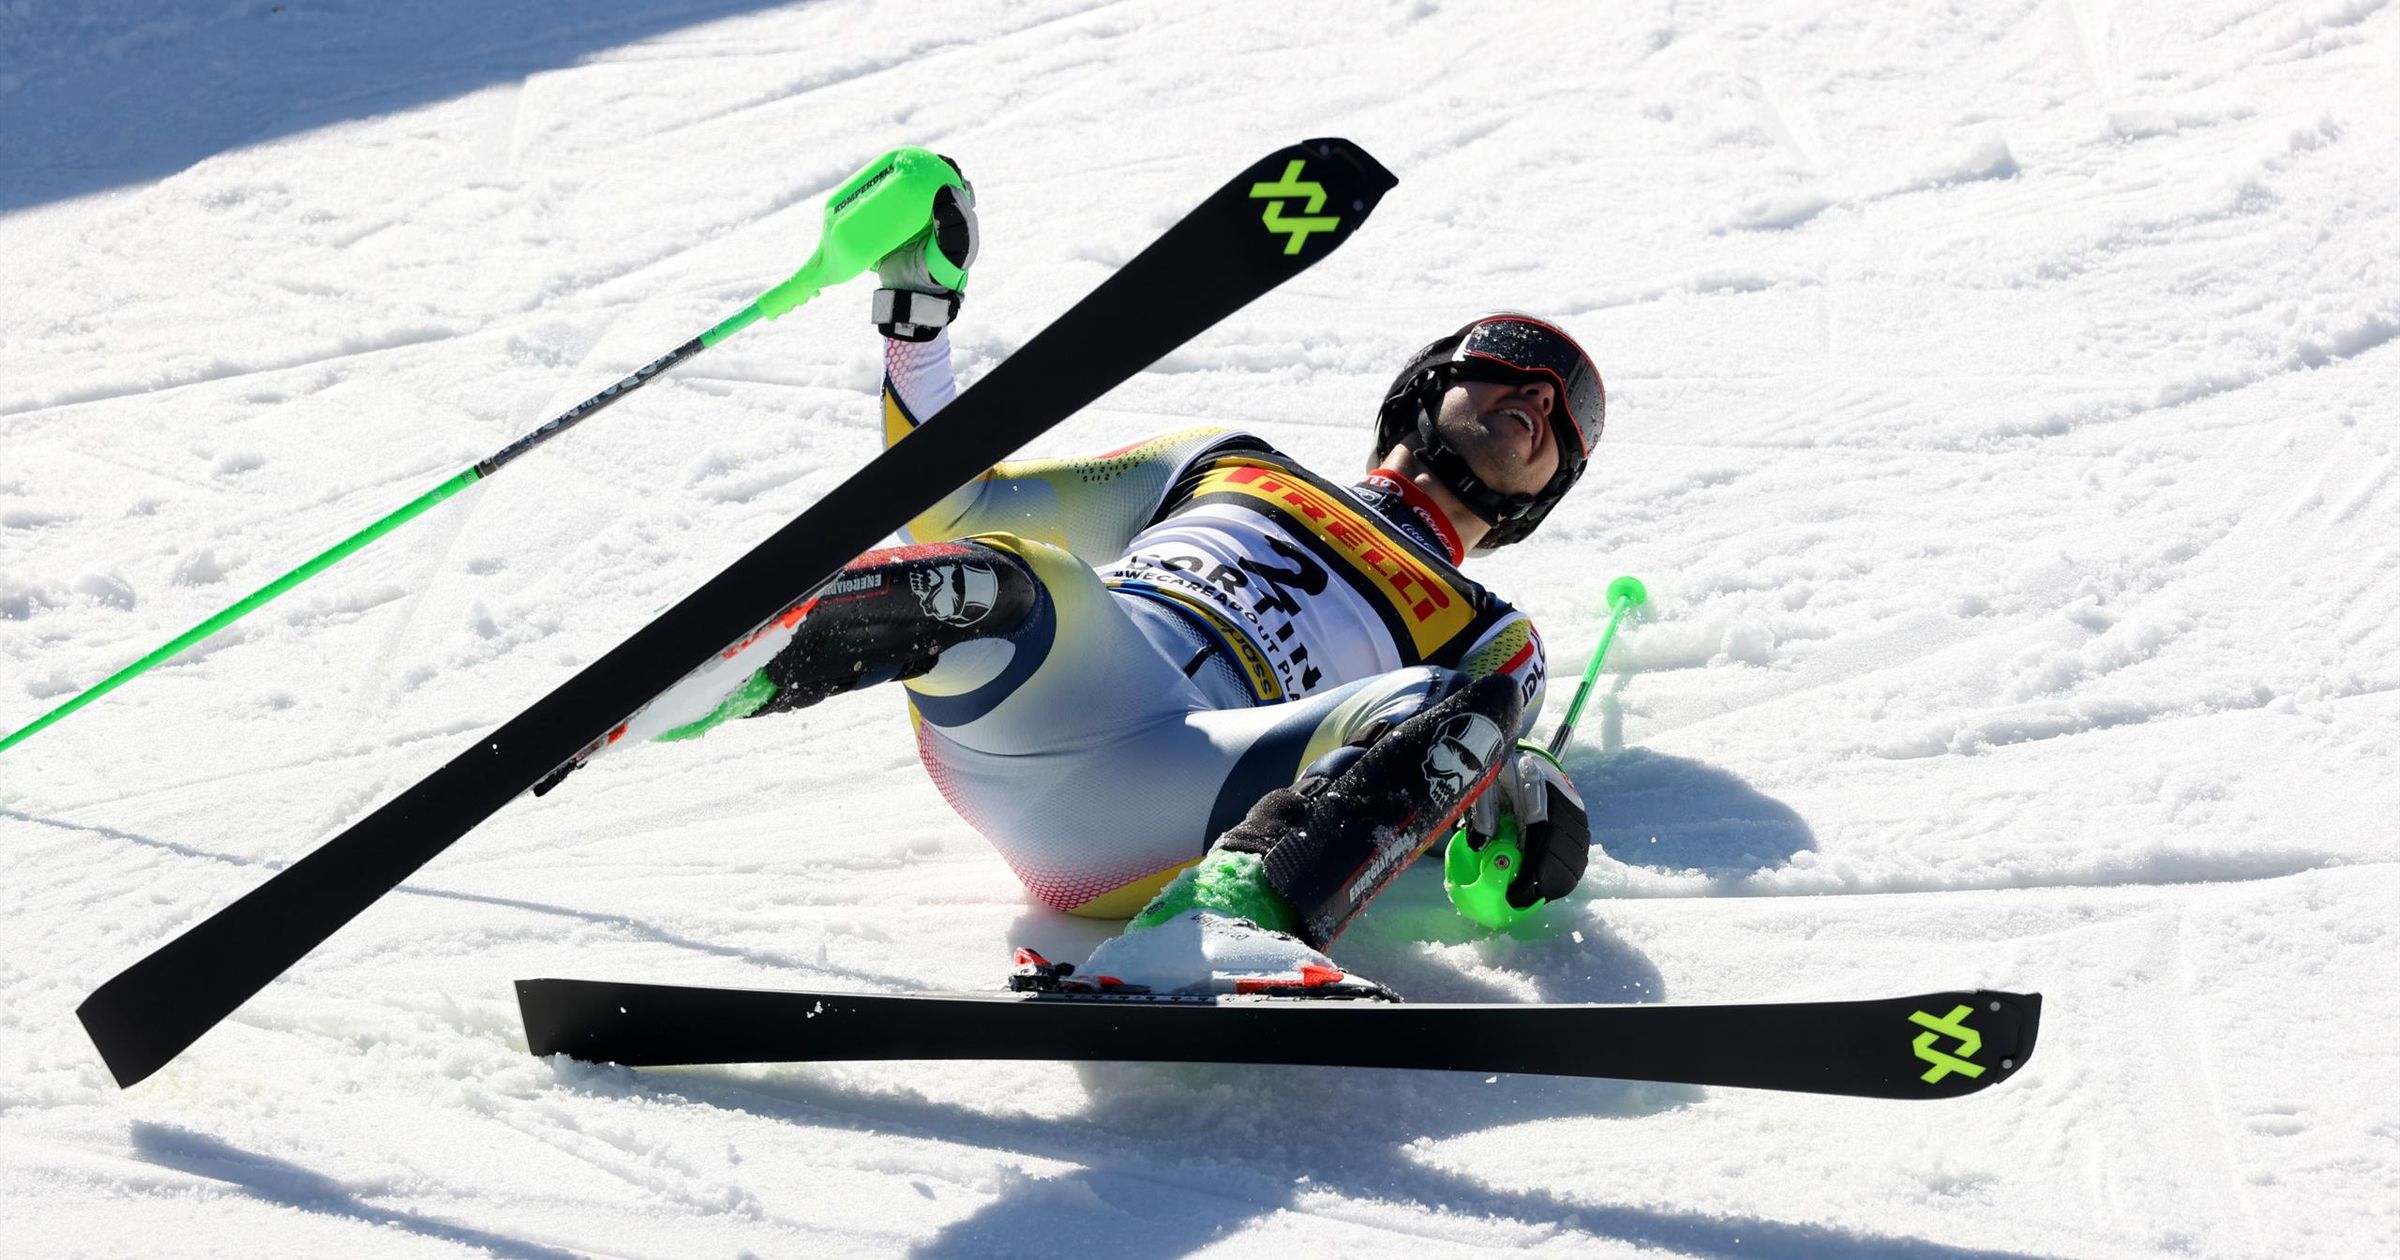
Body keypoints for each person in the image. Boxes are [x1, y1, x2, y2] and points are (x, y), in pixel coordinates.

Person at [573, 163, 1606, 998]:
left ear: (1548, 488)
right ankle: (699, 684)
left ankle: (1221, 932)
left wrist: (1518, 798)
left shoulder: (1490, 630)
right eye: (1511, 363)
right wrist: (917, 322)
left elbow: (1462, 796)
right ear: (1428, 383)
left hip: (1202, 785)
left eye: (1570, 418)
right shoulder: (1230, 459)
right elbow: (959, 503)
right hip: (1064, 681)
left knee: (1448, 702)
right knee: (1011, 577)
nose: (1541, 396)